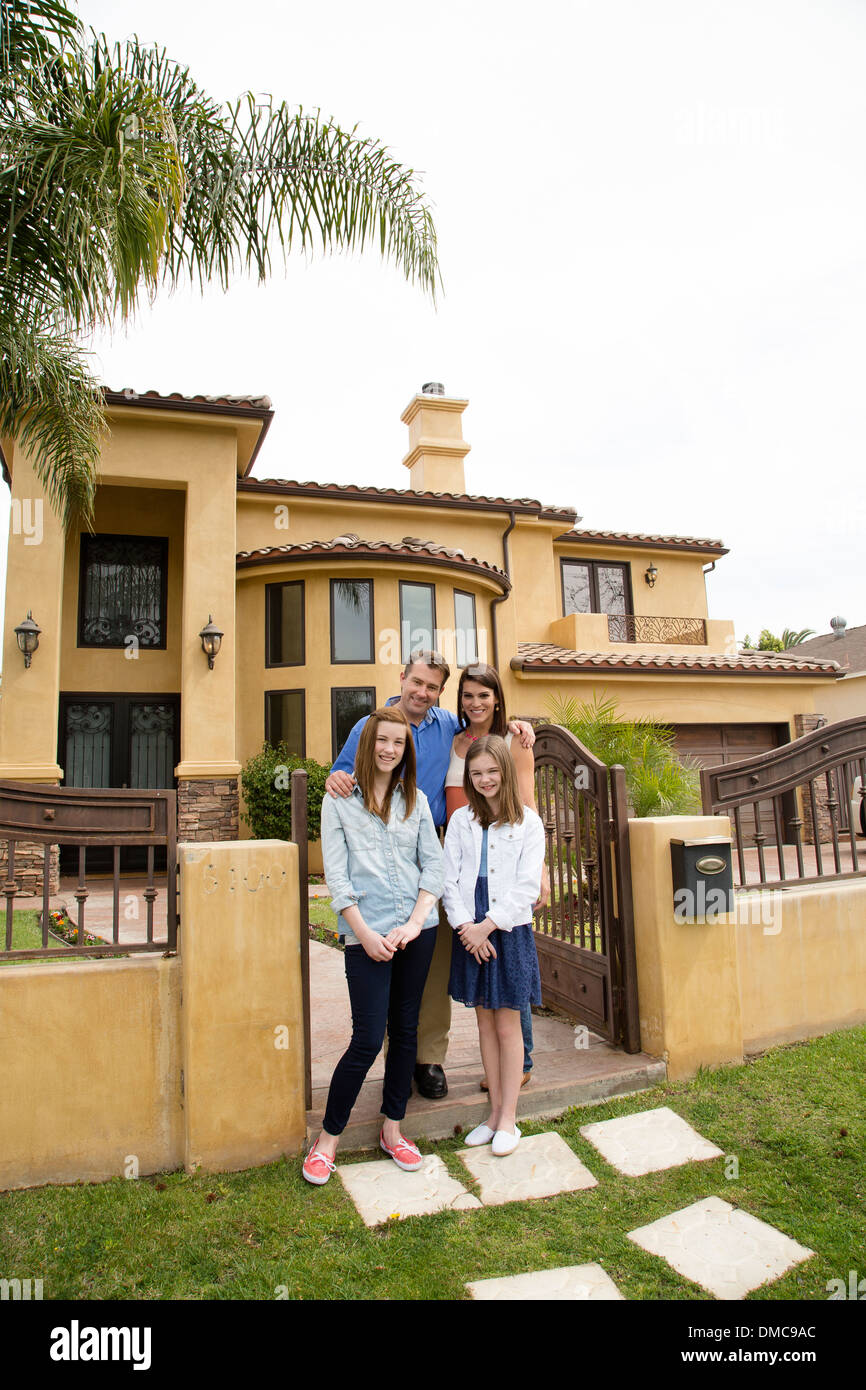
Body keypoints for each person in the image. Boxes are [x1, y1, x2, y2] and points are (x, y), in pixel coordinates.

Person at [326, 650, 535, 1100]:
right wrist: (333, 779)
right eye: (417, 682)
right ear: (402, 678)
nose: (422, 692)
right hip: (383, 854)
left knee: (434, 960)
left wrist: (518, 725)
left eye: (432, 687)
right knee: (389, 951)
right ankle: (395, 1057)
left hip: (440, 846)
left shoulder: (447, 727)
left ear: (441, 693)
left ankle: (429, 1059)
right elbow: (342, 776)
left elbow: (485, 724)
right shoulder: (370, 727)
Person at [303, 707, 444, 1185]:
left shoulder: (416, 801)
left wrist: (415, 923)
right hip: (366, 934)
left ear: (406, 751)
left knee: (405, 1030)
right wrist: (365, 935)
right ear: (368, 743)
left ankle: (393, 1129)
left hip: (416, 933)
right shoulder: (338, 802)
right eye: (382, 740)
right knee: (366, 1039)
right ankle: (327, 1140)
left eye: (398, 743)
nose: (389, 749)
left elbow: (433, 868)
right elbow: (338, 878)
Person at [444, 663, 550, 1088]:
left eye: (484, 695)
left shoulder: (514, 739)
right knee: (481, 968)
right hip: (463, 857)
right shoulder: (452, 739)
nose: (476, 703)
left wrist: (540, 870)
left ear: (497, 699)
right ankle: (500, 1064)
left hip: (505, 863)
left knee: (510, 966)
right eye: (468, 695)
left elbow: (528, 803)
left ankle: (519, 1063)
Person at [443, 735, 544, 1156]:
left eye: (492, 771)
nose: (485, 779)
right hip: (470, 929)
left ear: (505, 770)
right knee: (484, 1024)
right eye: (476, 773)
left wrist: (487, 927)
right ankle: (493, 1114)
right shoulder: (460, 821)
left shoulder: (528, 823)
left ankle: (509, 1120)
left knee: (507, 1025)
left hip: (507, 929)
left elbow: (527, 888)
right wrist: (466, 927)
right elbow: (449, 880)